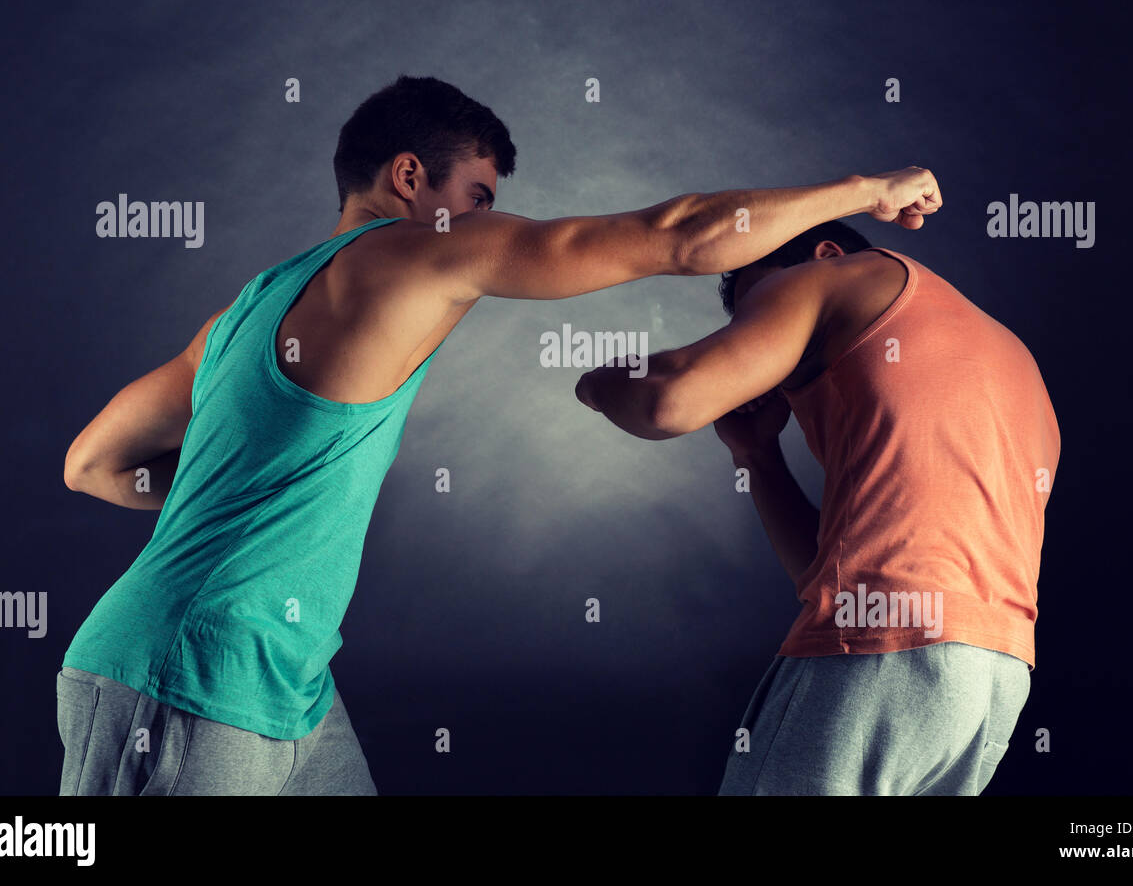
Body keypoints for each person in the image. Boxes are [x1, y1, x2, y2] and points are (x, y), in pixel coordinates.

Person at [59, 72, 941, 795]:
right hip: (185, 678)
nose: (486, 220)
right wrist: (866, 192)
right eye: (477, 197)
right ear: (410, 179)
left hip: (287, 683)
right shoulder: (414, 252)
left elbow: (95, 463)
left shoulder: (241, 313)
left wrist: (238, 497)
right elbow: (673, 237)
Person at [575, 216, 1059, 795]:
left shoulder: (838, 276)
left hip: (881, 651)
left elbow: (666, 402)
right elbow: (826, 570)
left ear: (825, 254)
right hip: (992, 673)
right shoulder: (1009, 356)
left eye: (759, 314)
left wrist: (596, 384)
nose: (759, 351)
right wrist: (757, 455)